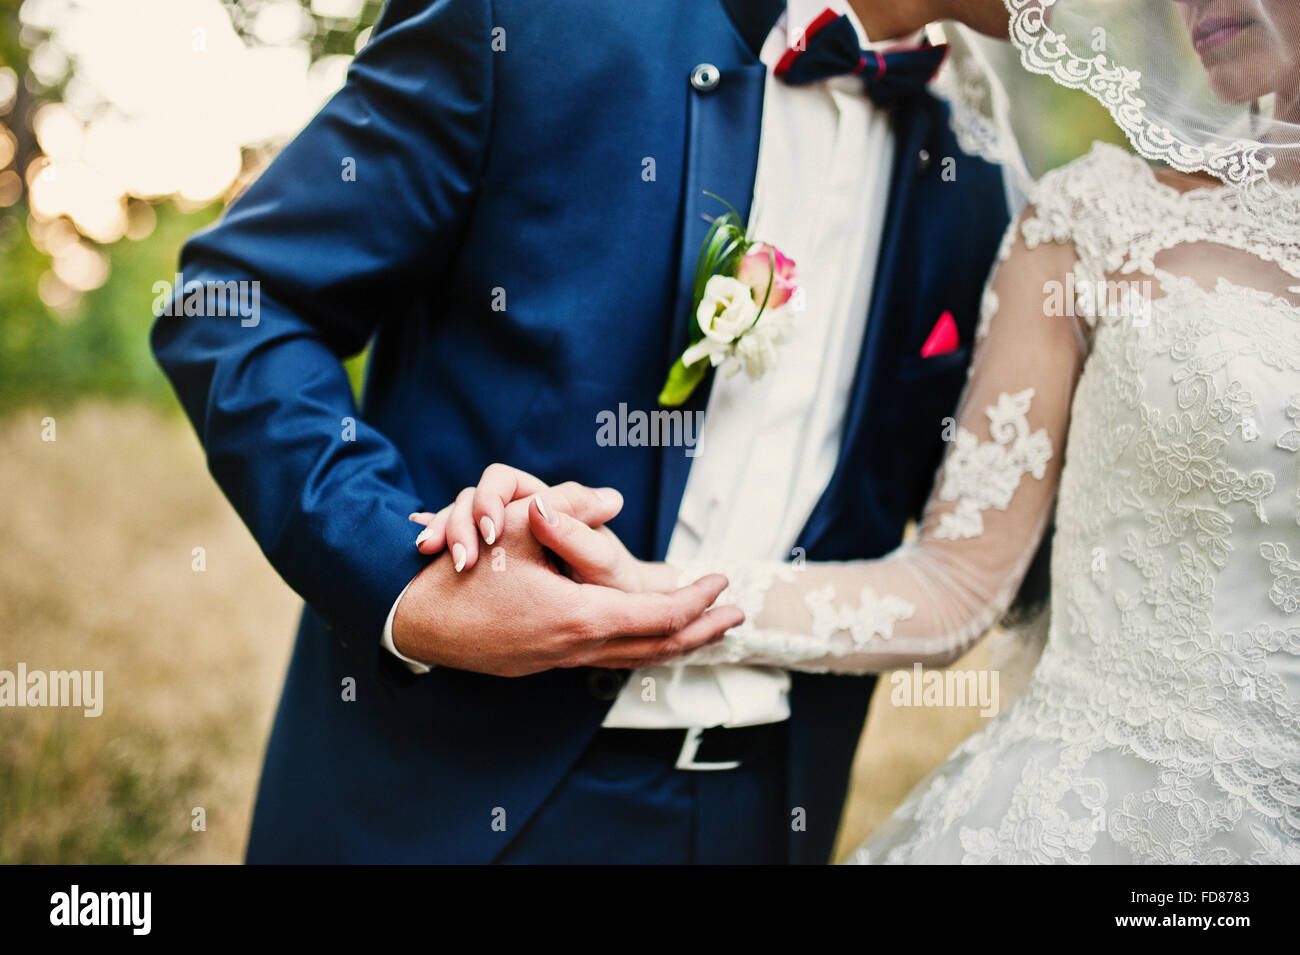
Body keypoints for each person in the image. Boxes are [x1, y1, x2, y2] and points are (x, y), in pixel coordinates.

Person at [151, 0, 1018, 863]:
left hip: (769, 815)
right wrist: (399, 579)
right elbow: (232, 304)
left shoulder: (989, 182)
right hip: (446, 799)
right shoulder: (538, 17)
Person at [442, 0, 1300, 862]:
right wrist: (648, 588)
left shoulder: (966, 175)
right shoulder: (1096, 222)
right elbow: (959, 577)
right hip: (1100, 820)